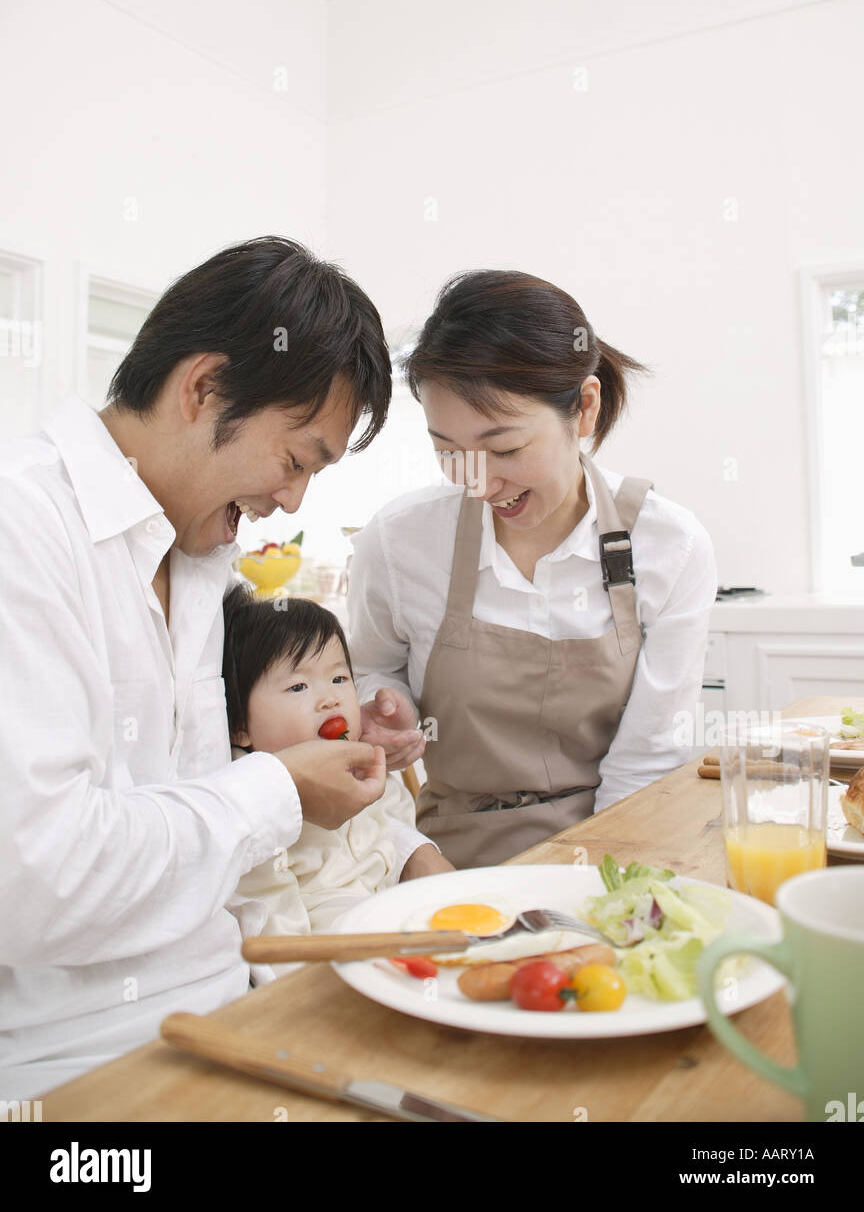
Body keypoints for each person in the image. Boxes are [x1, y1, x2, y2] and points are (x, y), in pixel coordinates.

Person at [0, 236, 434, 1101]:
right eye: (297, 457)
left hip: (235, 1004)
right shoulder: (25, 530)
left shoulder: (198, 558)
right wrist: (279, 786)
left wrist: (333, 740)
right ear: (202, 389)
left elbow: (189, 805)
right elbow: (35, 879)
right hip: (81, 1065)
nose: (293, 499)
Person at [347, 269, 718, 869]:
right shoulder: (397, 541)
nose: (479, 481)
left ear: (585, 408)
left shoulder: (669, 547)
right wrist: (384, 713)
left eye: (506, 449)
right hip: (447, 861)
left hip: (617, 847)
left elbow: (648, 758)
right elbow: (369, 676)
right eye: (448, 451)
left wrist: (595, 891)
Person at [222, 584, 454, 978]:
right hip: (339, 973)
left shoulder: (360, 767)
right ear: (241, 727)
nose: (329, 699)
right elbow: (279, 942)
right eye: (298, 686)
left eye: (339, 679)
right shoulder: (256, 824)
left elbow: (389, 837)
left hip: (408, 943)